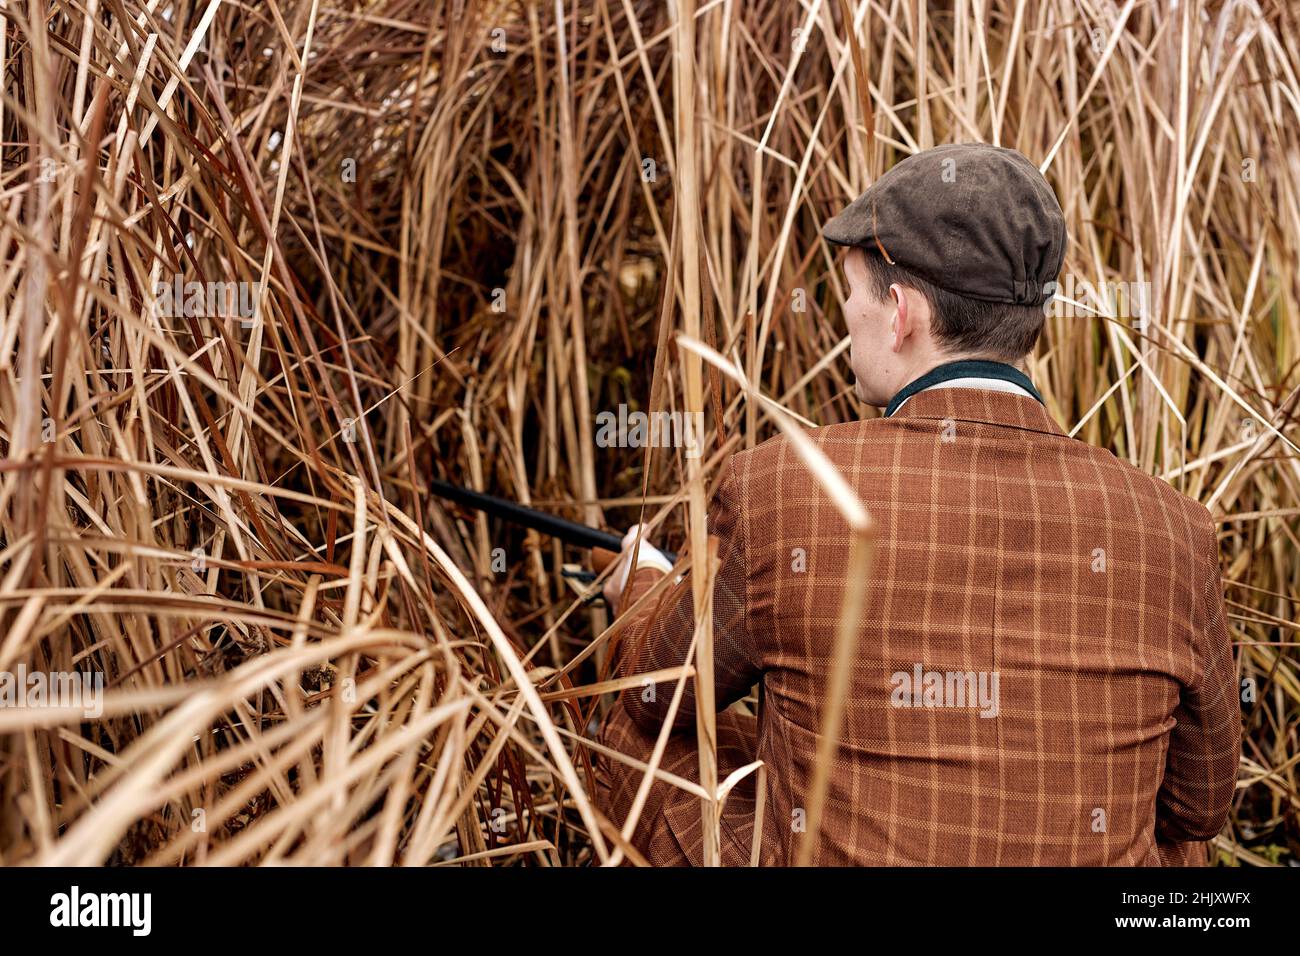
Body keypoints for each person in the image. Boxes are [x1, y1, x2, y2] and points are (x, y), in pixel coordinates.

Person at [591, 143, 1241, 866]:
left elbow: (657, 695)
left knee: (627, 736)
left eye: (853, 296)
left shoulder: (781, 487)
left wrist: (641, 586)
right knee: (1181, 851)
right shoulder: (1175, 527)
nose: (847, 323)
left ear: (899, 312)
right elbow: (1200, 803)